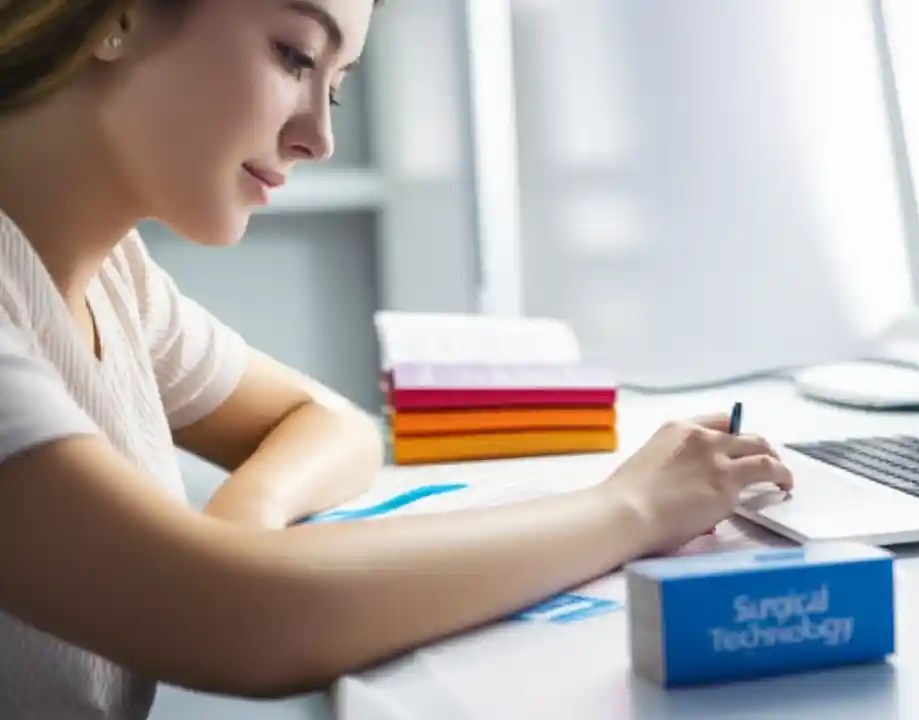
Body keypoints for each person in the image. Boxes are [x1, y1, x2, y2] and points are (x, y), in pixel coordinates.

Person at [0, 1, 794, 717]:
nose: (318, 137)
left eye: (337, 87)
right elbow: (231, 616)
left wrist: (248, 518)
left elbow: (328, 422)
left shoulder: (116, 279)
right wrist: (631, 509)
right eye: (295, 56)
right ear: (120, 16)